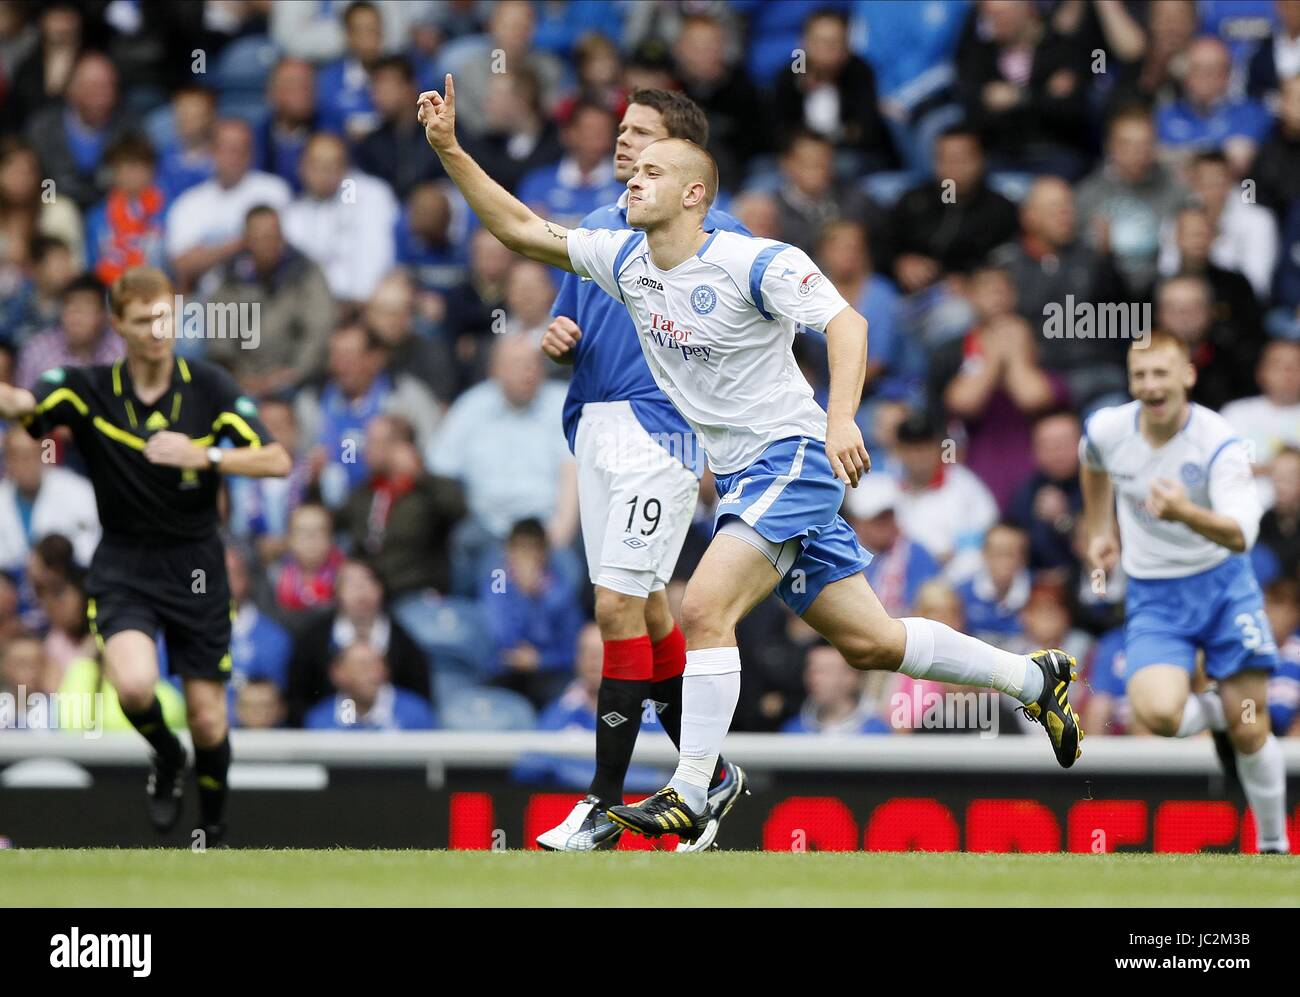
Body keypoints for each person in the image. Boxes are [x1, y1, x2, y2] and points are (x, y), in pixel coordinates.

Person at [419, 72, 1083, 844]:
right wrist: (450, 150)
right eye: (631, 170)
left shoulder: (751, 260)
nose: (632, 179)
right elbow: (522, 231)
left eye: (652, 171)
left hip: (793, 457)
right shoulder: (626, 259)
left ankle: (692, 789)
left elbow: (849, 325)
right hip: (744, 476)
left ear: (695, 193)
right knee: (871, 640)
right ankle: (1034, 678)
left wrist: (840, 420)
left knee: (701, 607)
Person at [0, 266, 291, 845]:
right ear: (118, 326)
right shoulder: (89, 387)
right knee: (134, 687)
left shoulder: (208, 386)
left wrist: (204, 456)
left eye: (165, 317)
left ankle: (212, 830)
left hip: (197, 564)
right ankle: (164, 753)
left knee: (209, 718)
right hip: (125, 563)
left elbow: (277, 459)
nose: (157, 331)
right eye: (143, 321)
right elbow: (22, 403)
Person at [535, 88, 750, 852]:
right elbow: (571, 323)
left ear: (684, 156)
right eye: (621, 134)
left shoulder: (721, 238)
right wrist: (555, 337)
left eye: (641, 135)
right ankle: (712, 772)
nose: (622, 145)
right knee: (649, 608)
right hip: (593, 424)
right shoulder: (599, 227)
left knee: (616, 606)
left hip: (660, 434)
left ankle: (601, 802)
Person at [1080, 331, 1289, 854]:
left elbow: (1243, 534)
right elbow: (1092, 461)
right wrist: (1101, 528)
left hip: (1223, 588)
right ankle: (1216, 709)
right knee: (1160, 717)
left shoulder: (1220, 442)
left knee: (1250, 727)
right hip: (1154, 594)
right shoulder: (1110, 428)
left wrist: (1184, 513)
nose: (1151, 386)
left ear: (1186, 377)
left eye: (1161, 374)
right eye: (1141, 376)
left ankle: (1272, 845)